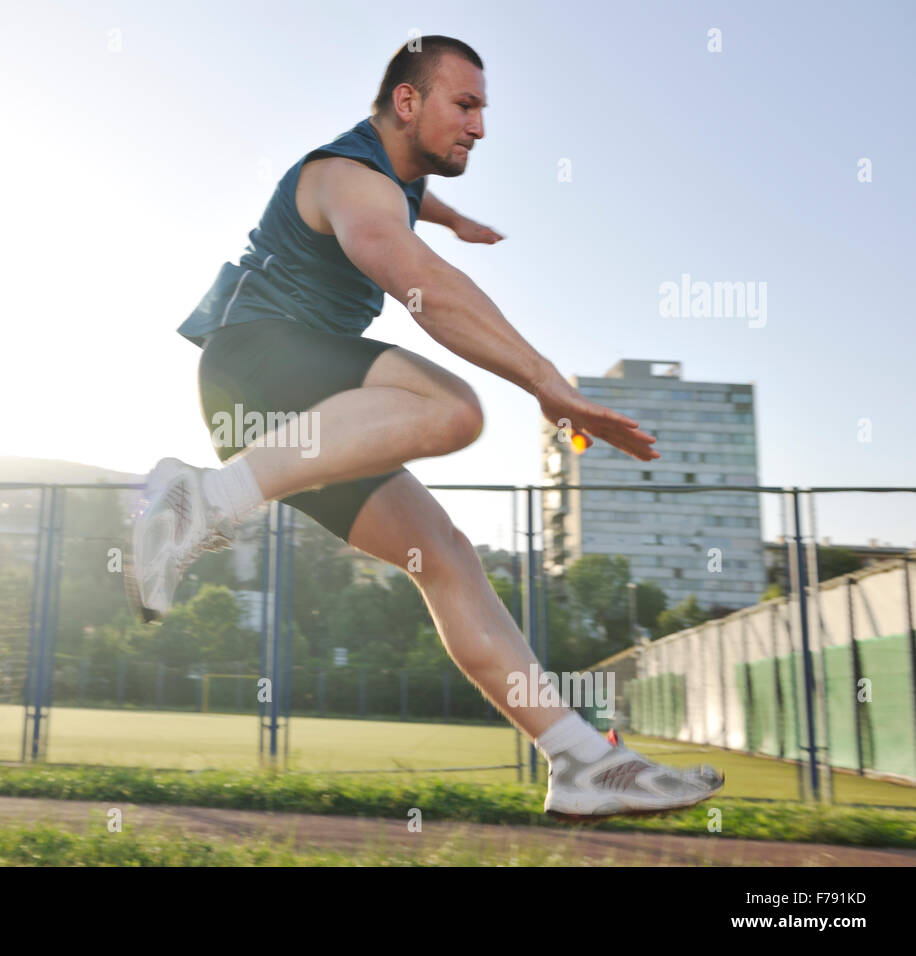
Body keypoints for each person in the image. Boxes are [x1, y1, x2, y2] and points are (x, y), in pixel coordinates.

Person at [125, 35, 722, 819]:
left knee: (442, 555)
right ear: (406, 102)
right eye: (464, 105)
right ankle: (203, 500)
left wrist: (453, 216)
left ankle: (580, 763)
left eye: (483, 109)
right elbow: (423, 289)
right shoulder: (346, 178)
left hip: (307, 416)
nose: (480, 126)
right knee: (451, 408)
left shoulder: (395, 182)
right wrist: (551, 386)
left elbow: (414, 202)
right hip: (258, 363)